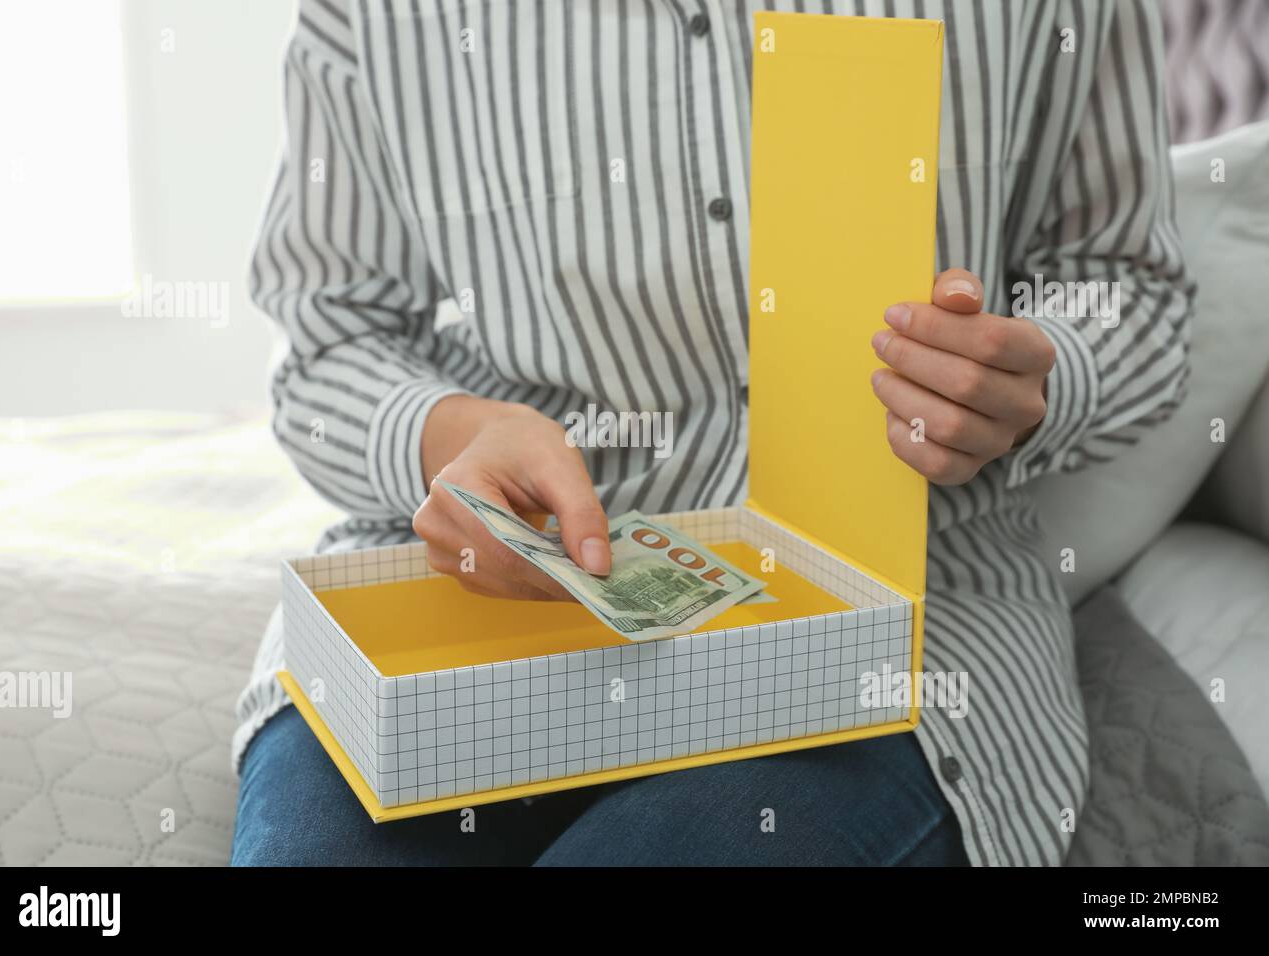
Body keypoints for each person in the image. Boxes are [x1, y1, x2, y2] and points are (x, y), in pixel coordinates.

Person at [230, 0, 1191, 866]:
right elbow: (327, 341)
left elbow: (1131, 287)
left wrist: (1038, 379)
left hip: (901, 628)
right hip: (482, 607)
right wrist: (452, 433)